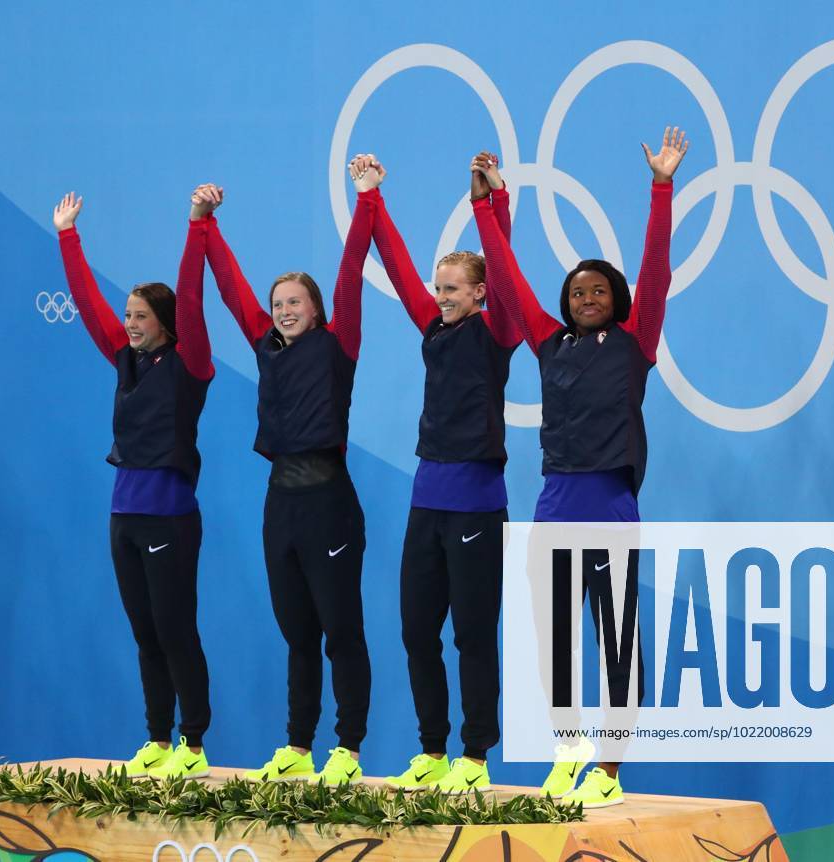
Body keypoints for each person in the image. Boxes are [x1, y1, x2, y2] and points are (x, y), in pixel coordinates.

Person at [472, 127, 689, 807]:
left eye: (598, 291)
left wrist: (661, 187)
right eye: (576, 293)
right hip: (554, 507)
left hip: (611, 508)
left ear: (617, 299)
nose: (586, 298)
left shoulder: (635, 343)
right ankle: (569, 748)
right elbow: (506, 281)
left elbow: (657, 269)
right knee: (555, 640)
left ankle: (610, 769)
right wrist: (487, 205)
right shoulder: (549, 343)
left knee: (616, 642)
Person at [198, 161, 379, 785]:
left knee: (340, 631)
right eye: (277, 304)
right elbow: (231, 290)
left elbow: (351, 270)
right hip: (281, 507)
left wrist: (366, 199)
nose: (283, 310)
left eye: (295, 301)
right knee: (298, 635)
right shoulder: (265, 347)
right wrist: (205, 226)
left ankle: (347, 749)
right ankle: (299, 746)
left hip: (330, 504)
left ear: (318, 308)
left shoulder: (339, 342)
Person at [356, 153, 521, 793]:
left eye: (453, 288)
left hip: (477, 502)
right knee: (417, 631)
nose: (442, 296)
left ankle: (474, 756)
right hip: (427, 502)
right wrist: (372, 198)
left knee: (473, 635)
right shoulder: (433, 329)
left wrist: (493, 204)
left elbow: (504, 270)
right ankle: (432, 749)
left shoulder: (498, 332)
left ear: (479, 294)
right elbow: (399, 270)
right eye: (440, 287)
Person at [53, 188, 216, 780]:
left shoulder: (191, 362)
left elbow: (191, 296)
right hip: (123, 516)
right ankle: (157, 737)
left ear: (166, 323)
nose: (129, 324)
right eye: (128, 316)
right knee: (146, 633)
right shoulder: (125, 358)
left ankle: (192, 744)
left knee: (175, 630)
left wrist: (196, 227)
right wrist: (68, 236)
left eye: (141, 316)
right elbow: (87, 302)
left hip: (169, 514)